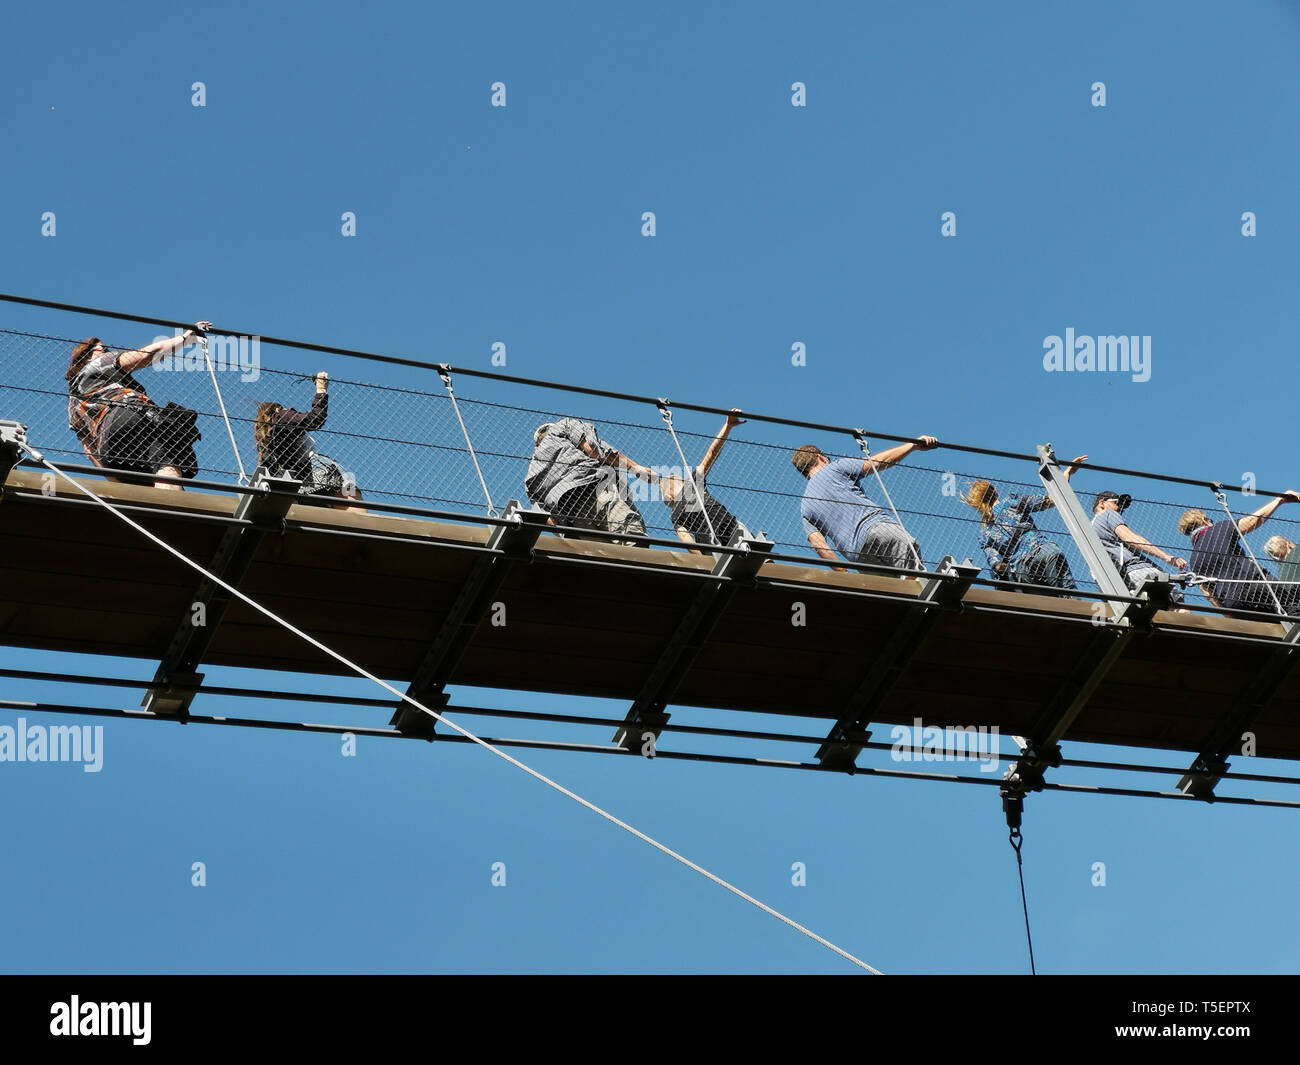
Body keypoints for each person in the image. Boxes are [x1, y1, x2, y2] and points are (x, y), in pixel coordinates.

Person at [66, 324, 210, 490]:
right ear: (85, 357)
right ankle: (174, 510)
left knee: (146, 485)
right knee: (167, 465)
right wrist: (184, 339)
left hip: (108, 446)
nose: (106, 351)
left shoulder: (73, 401)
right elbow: (146, 355)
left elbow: (89, 449)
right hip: (129, 414)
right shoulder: (99, 363)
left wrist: (114, 480)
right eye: (101, 348)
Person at [792, 435, 937, 571]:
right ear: (820, 457)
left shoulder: (806, 504)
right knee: (914, 569)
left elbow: (818, 544)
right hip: (876, 527)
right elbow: (875, 463)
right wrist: (912, 445)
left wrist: (842, 572)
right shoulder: (835, 468)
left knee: (894, 588)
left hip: (857, 555)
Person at [959, 455, 1086, 591]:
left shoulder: (985, 535)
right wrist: (1067, 473)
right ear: (995, 491)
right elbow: (1050, 500)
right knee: (1067, 592)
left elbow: (996, 564)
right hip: (1042, 551)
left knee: (1048, 607)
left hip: (1023, 572)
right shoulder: (1010, 502)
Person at [525, 417, 657, 545]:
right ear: (551, 429)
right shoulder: (562, 427)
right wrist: (636, 469)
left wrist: (564, 534)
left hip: (571, 515)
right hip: (594, 488)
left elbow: (544, 515)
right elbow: (593, 450)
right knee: (631, 534)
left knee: (603, 554)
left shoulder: (530, 474)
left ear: (536, 446)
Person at [254, 372, 364, 511]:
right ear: (276, 410)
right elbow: (316, 418)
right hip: (319, 470)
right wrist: (321, 389)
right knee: (355, 505)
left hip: (296, 485)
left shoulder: (264, 444)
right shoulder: (281, 415)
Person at [1178, 493, 1300, 615]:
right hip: (1255, 585)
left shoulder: (1193, 560)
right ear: (1204, 520)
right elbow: (1253, 520)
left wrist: (1228, 614)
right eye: (1210, 520)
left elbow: (1208, 593)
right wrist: (1279, 500)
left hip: (1235, 604)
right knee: (1290, 606)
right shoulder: (1219, 529)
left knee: (1273, 627)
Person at [659, 409, 753, 553]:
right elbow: (711, 454)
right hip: (729, 526)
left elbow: (687, 540)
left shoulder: (675, 514)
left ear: (668, 496)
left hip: (709, 543)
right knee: (754, 549)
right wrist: (727, 426)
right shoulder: (691, 485)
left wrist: (702, 559)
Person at [1091, 489, 1185, 603]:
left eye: (1123, 506)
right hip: (1138, 569)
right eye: (1117, 503)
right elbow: (1131, 538)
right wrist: (1167, 557)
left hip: (1121, 579)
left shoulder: (1091, 529)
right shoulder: (1108, 514)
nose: (1120, 508)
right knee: (1178, 605)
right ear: (1102, 503)